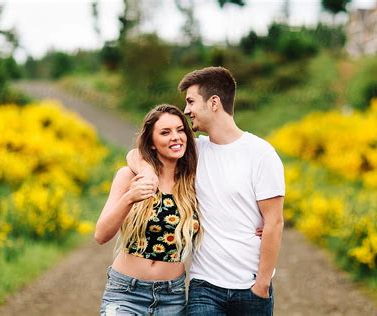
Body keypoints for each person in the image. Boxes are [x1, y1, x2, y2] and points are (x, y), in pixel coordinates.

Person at [127, 66, 285, 315]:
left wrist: (262, 284)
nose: (186, 110)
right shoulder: (195, 151)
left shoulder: (261, 154)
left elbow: (274, 222)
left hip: (252, 287)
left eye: (190, 101)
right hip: (205, 286)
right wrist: (146, 173)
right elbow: (137, 153)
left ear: (214, 103)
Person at [94, 104, 202, 315]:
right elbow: (101, 235)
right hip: (126, 292)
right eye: (165, 132)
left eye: (180, 130)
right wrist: (130, 198)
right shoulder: (129, 176)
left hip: (172, 296)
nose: (176, 137)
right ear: (151, 143)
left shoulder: (193, 181)